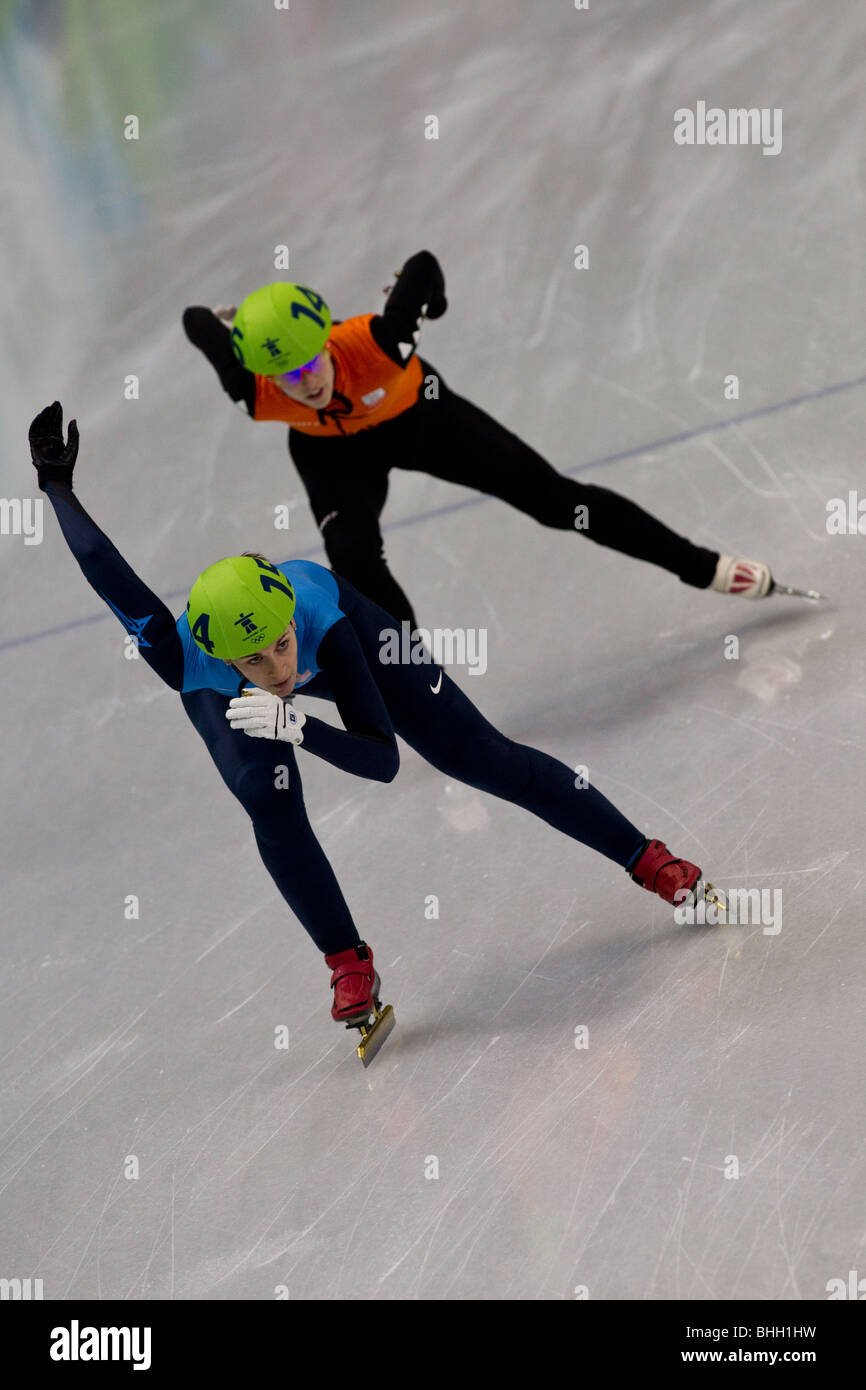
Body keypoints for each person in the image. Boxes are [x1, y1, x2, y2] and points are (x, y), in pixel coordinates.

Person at [30, 401, 721, 1035]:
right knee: (266, 800)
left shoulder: (319, 619)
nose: (276, 666)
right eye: (257, 659)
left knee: (482, 756)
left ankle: (647, 858)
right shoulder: (185, 658)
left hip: (359, 640)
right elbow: (104, 567)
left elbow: (383, 760)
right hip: (225, 693)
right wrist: (56, 487)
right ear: (220, 654)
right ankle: (347, 962)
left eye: (280, 643)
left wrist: (300, 724)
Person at [182, 251, 775, 631]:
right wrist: (225, 325)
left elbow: (423, 264)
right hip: (331, 453)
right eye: (287, 375)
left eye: (312, 361)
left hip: (421, 418)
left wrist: (430, 303)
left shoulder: (381, 342)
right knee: (352, 555)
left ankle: (706, 567)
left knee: (556, 501)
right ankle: (416, 681)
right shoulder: (253, 391)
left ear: (325, 340)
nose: (306, 382)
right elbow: (193, 320)